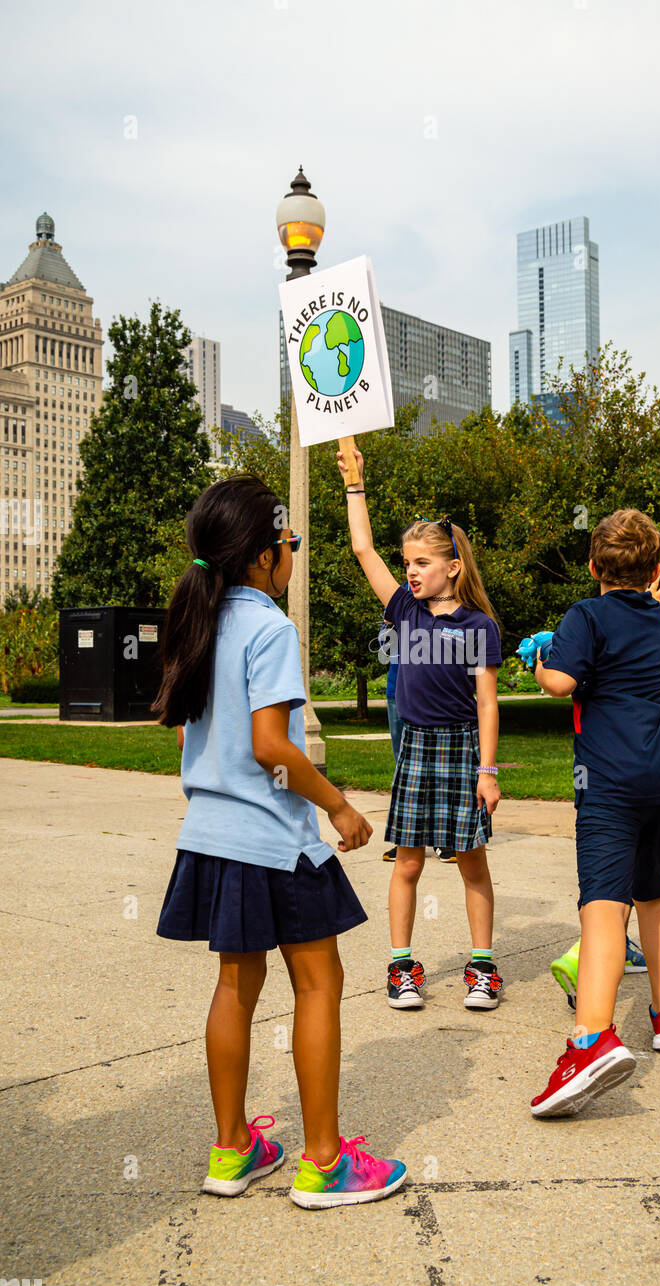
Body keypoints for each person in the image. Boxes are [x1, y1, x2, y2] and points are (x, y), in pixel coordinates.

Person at [152, 474, 407, 1207]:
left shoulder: (197, 619)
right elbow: (272, 745)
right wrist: (339, 807)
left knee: (235, 985)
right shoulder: (268, 627)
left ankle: (233, 1150)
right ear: (264, 557)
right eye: (289, 543)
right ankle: (325, 1164)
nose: (293, 554)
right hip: (273, 840)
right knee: (319, 983)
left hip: (211, 835)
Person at [528, 509, 660, 1118]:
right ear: (656, 570)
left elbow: (564, 684)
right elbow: (639, 685)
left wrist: (541, 661)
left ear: (594, 566)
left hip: (612, 779)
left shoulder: (585, 614)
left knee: (603, 905)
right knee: (655, 892)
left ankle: (590, 1041)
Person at [337, 446, 503, 1010]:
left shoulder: (479, 625)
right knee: (407, 862)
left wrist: (488, 771)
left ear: (452, 567)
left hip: (462, 750)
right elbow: (362, 547)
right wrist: (355, 484)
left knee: (472, 862)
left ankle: (482, 968)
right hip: (415, 747)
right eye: (406, 563)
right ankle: (402, 966)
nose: (410, 571)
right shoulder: (402, 611)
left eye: (421, 563)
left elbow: (487, 704)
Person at [379, 588, 458, 866]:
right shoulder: (399, 602)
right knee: (403, 767)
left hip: (433, 695)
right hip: (397, 692)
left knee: (438, 766)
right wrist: (390, 626)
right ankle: (405, 840)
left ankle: (441, 838)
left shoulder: (446, 606)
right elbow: (384, 651)